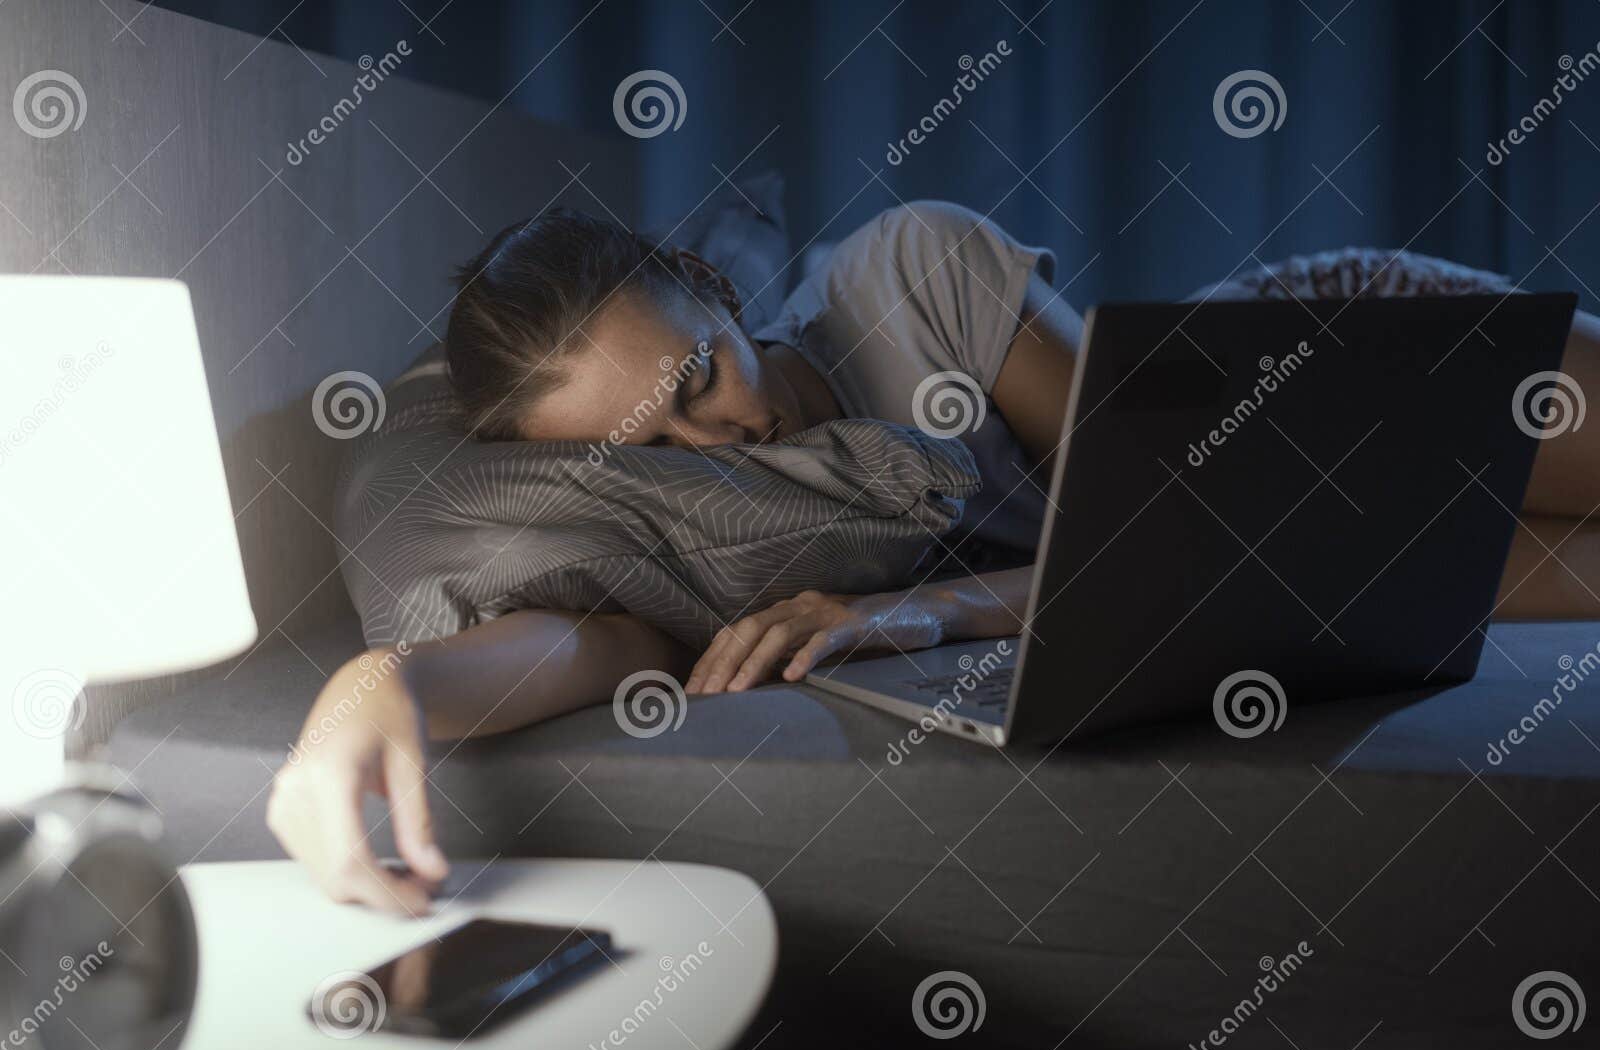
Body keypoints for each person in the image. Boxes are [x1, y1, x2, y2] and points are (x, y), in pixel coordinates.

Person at [267, 201, 1600, 913]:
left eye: (697, 371)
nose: (720, 428)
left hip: (1308, 373)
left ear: (711, 285)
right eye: (653, 437)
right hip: (1317, 552)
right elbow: (596, 640)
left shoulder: (904, 273)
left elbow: (1189, 525)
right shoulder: (708, 518)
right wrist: (381, 689)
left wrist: (918, 612)